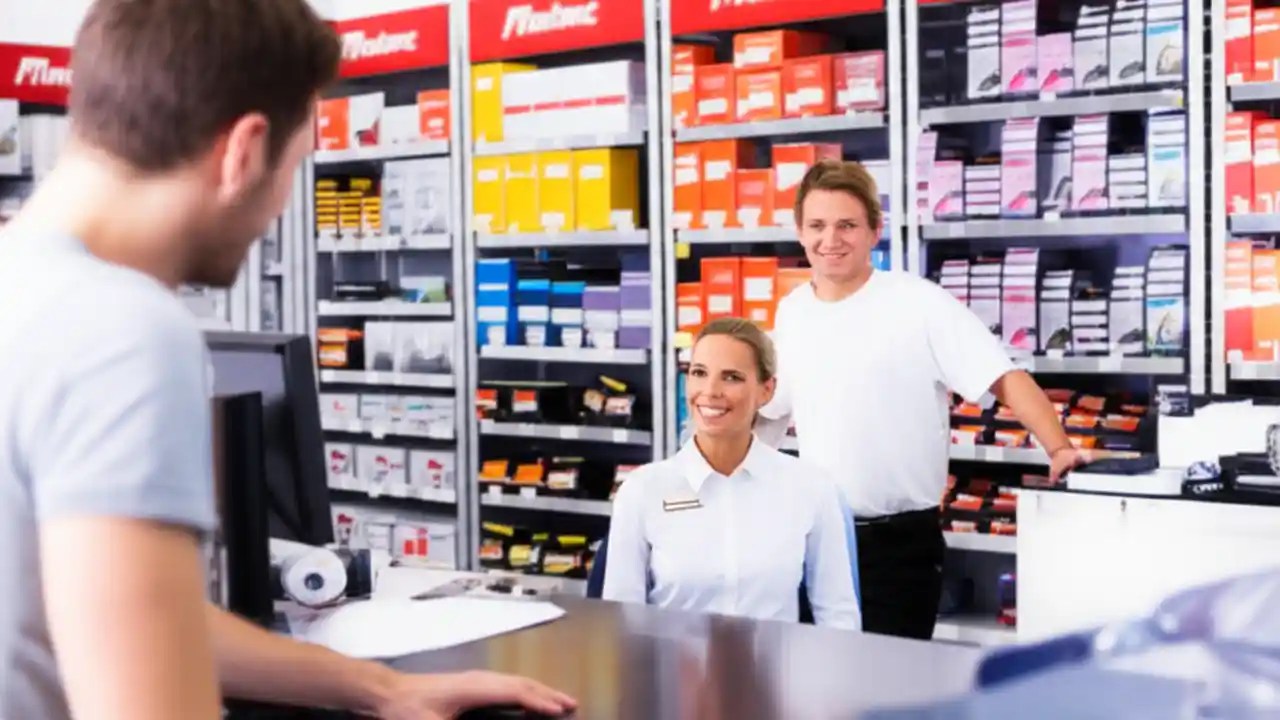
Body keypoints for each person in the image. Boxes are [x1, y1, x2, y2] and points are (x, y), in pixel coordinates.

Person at [0, 2, 575, 719]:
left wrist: (380, 688)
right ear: (244, 150)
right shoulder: (121, 329)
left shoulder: (22, 288)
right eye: (296, 166)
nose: (279, 206)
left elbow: (116, 610)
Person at [757, 159, 1087, 641]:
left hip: (899, 544)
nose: (831, 239)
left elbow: (1004, 378)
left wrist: (1058, 448)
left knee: (891, 693)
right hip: (817, 537)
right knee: (817, 688)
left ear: (875, 229)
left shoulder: (918, 303)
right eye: (818, 226)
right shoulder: (793, 312)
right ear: (799, 233)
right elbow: (769, 409)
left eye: (847, 225)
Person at [603, 318, 862, 630]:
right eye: (699, 373)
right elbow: (621, 623)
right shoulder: (642, 491)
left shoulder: (810, 488)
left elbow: (838, 617)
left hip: (776, 676)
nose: (710, 392)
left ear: (767, 391)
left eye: (732, 377)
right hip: (672, 676)